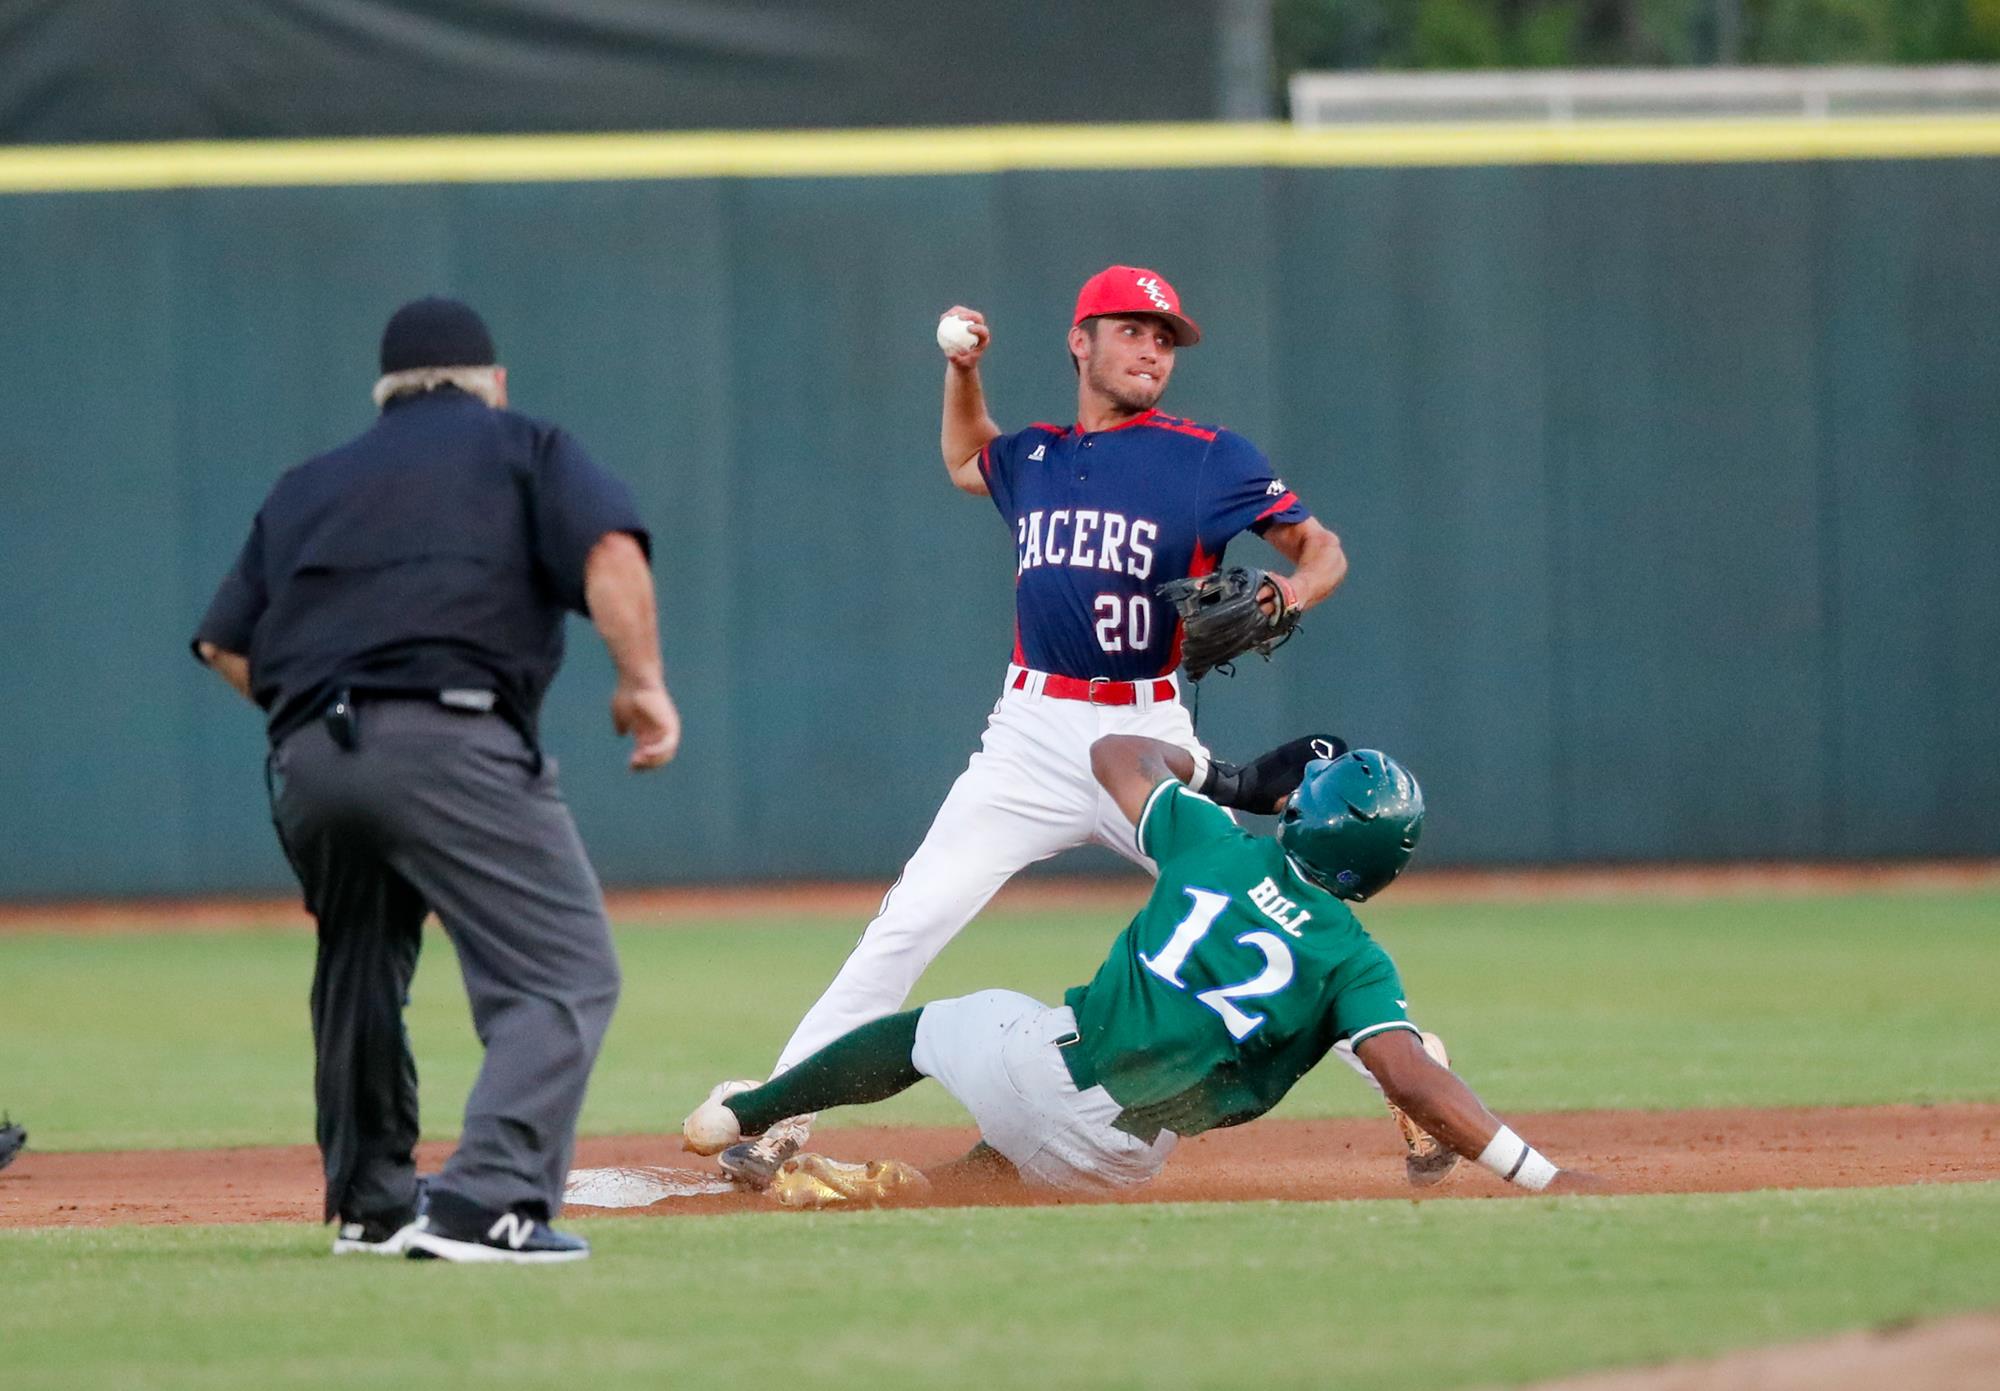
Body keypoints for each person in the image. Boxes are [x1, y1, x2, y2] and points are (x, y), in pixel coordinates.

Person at [698, 264, 1453, 1187]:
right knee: (907, 922)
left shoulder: (1209, 456)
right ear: (1080, 340)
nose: (1153, 350)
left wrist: (1287, 591)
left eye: (1166, 338)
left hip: (1143, 737)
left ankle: (1425, 1094)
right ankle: (782, 1113)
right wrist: (964, 374)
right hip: (1027, 734)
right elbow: (965, 459)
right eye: (1134, 330)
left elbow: (1323, 548)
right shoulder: (1037, 456)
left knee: (1265, 914)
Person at [193, 297, 681, 1264]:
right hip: (448, 731)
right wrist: (644, 682)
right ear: (491, 385)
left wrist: (329, 728)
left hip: (309, 754)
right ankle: (489, 1199)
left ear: (385, 397)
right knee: (564, 968)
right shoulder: (523, 444)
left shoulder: (309, 483)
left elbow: (222, 641)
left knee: (359, 963)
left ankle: (372, 1203)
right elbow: (610, 550)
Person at [685, 738, 1600, 1205]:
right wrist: (1545, 1176)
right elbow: (1409, 1073)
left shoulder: (1212, 841)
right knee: (1009, 1167)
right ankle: (911, 1190)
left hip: (1047, 1069)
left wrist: (1226, 775)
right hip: (1122, 1161)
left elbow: (1114, 754)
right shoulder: (1356, 962)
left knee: (928, 1028)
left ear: (1302, 811)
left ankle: (748, 1114)